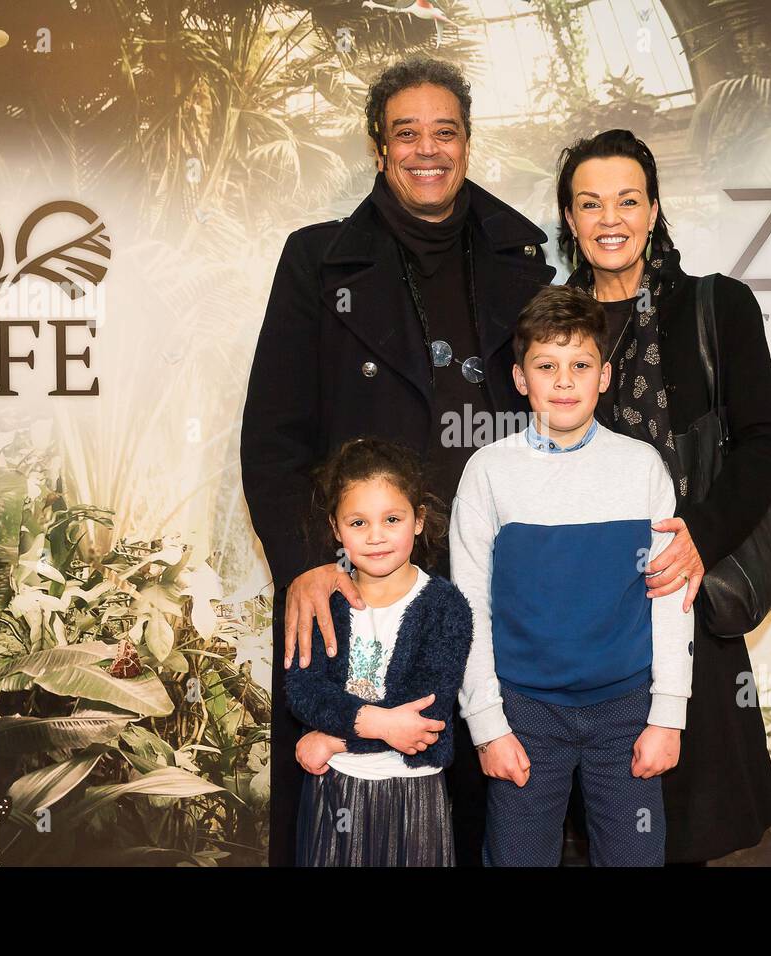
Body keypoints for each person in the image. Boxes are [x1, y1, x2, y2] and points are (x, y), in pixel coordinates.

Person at [239, 56, 554, 866]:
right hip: (357, 587)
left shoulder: (522, 259)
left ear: (468, 145)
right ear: (379, 150)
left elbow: (557, 418)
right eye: (405, 133)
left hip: (490, 583)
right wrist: (308, 563)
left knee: (488, 807)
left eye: (444, 132)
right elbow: (273, 436)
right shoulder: (318, 261)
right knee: (346, 810)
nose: (427, 149)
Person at [556, 129, 771, 863]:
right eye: (590, 202)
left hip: (687, 599)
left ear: (654, 209)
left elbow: (768, 443)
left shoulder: (716, 307)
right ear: (569, 219)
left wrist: (699, 532)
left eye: (628, 199)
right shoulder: (550, 323)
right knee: (583, 836)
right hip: (580, 622)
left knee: (686, 830)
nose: (611, 218)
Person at [448, 285, 695, 866]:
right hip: (524, 712)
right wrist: (486, 724)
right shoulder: (488, 472)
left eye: (580, 365)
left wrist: (668, 715)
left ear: (603, 376)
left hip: (629, 710)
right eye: (546, 366)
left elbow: (670, 597)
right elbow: (468, 606)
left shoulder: (641, 468)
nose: (564, 381)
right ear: (519, 378)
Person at [283, 438, 473, 866]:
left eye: (392, 519)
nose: (376, 537)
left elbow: (425, 719)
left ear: (419, 520)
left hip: (413, 795)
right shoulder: (322, 602)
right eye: (358, 523)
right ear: (335, 528)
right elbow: (304, 691)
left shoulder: (445, 606)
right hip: (336, 788)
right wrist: (378, 724)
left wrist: (333, 738)